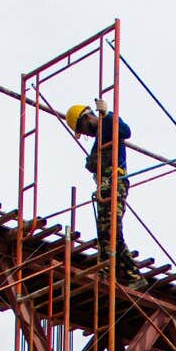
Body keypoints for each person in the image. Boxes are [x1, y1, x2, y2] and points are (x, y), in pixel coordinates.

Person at [66, 102, 142, 285]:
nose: (85, 134)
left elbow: (125, 131)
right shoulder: (98, 142)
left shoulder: (108, 125)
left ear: (86, 117)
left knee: (111, 229)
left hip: (116, 183)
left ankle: (120, 273)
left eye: (83, 129)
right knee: (105, 231)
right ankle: (123, 274)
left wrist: (107, 114)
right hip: (105, 186)